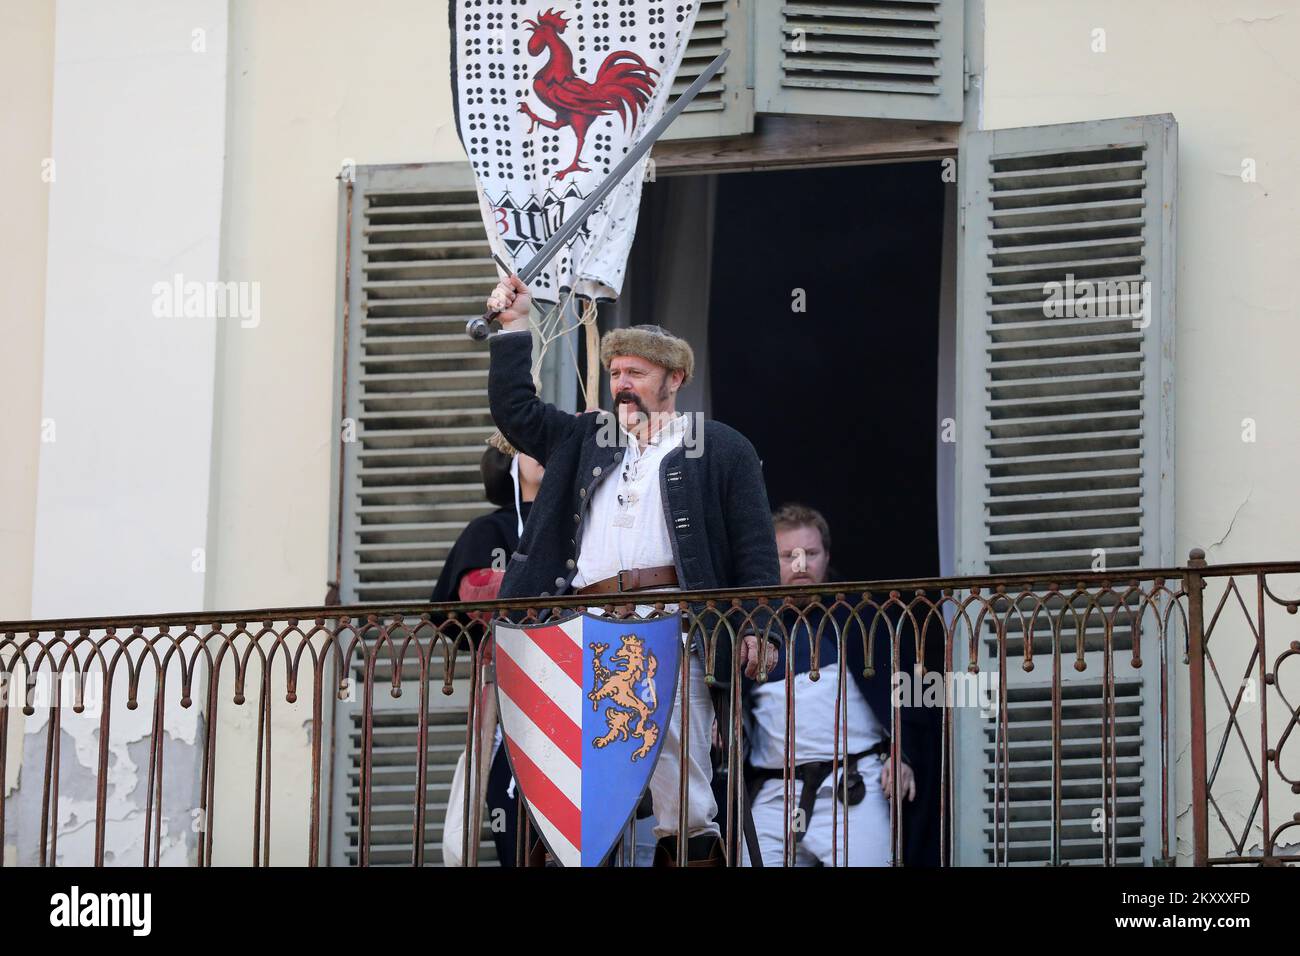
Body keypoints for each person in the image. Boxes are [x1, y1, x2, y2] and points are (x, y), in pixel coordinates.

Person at [485, 273, 781, 866]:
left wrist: (757, 625)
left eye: (636, 374)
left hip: (673, 626)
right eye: (615, 372)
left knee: (685, 790)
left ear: (674, 379)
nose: (621, 384)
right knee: (575, 787)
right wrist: (516, 326)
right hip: (581, 628)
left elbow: (753, 547)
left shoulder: (719, 447)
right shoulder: (583, 437)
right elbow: (515, 412)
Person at [742, 503, 915, 867]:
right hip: (774, 795)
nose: (801, 565)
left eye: (811, 553)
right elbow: (730, 703)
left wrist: (903, 752)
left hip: (852, 786)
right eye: (788, 555)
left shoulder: (861, 619)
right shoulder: (751, 628)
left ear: (827, 557)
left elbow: (903, 696)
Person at [431, 442, 543, 866]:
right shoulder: (489, 530)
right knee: (515, 832)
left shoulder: (583, 527)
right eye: (535, 446)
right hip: (509, 706)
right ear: (511, 462)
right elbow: (475, 592)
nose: (547, 453)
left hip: (578, 701)